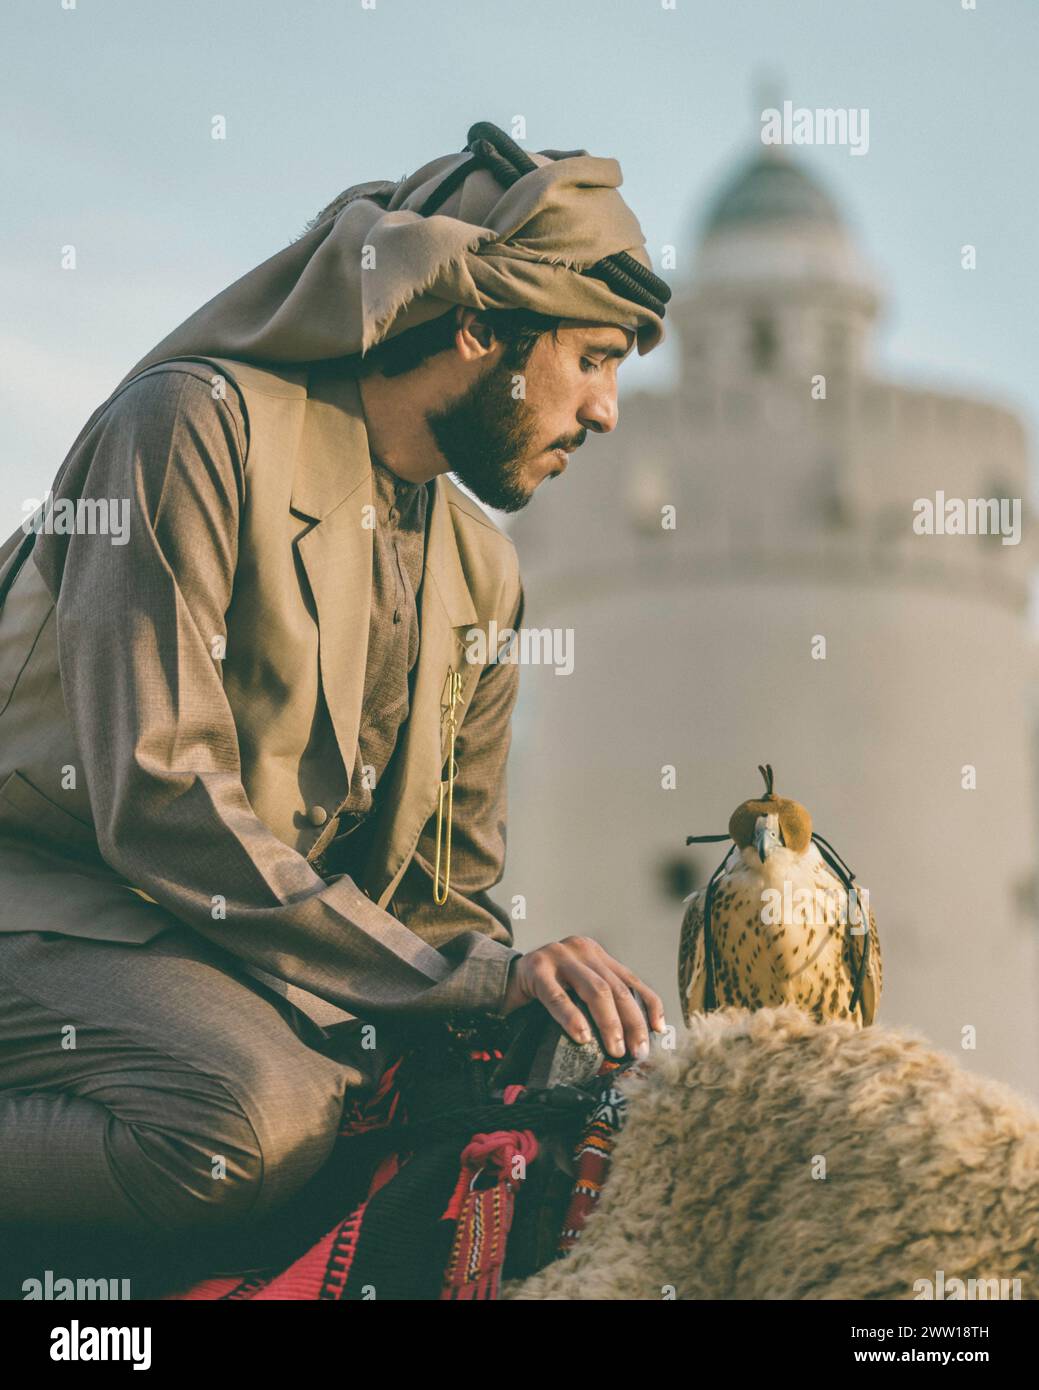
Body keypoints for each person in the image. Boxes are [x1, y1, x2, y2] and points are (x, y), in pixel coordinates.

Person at [0, 122, 671, 1242]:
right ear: (475, 326)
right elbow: (157, 797)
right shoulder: (191, 426)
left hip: (240, 954)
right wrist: (458, 980)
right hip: (53, 903)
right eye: (592, 358)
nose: (605, 411)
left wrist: (515, 989)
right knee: (246, 1119)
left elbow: (447, 890)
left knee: (588, 1095)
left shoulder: (484, 569)